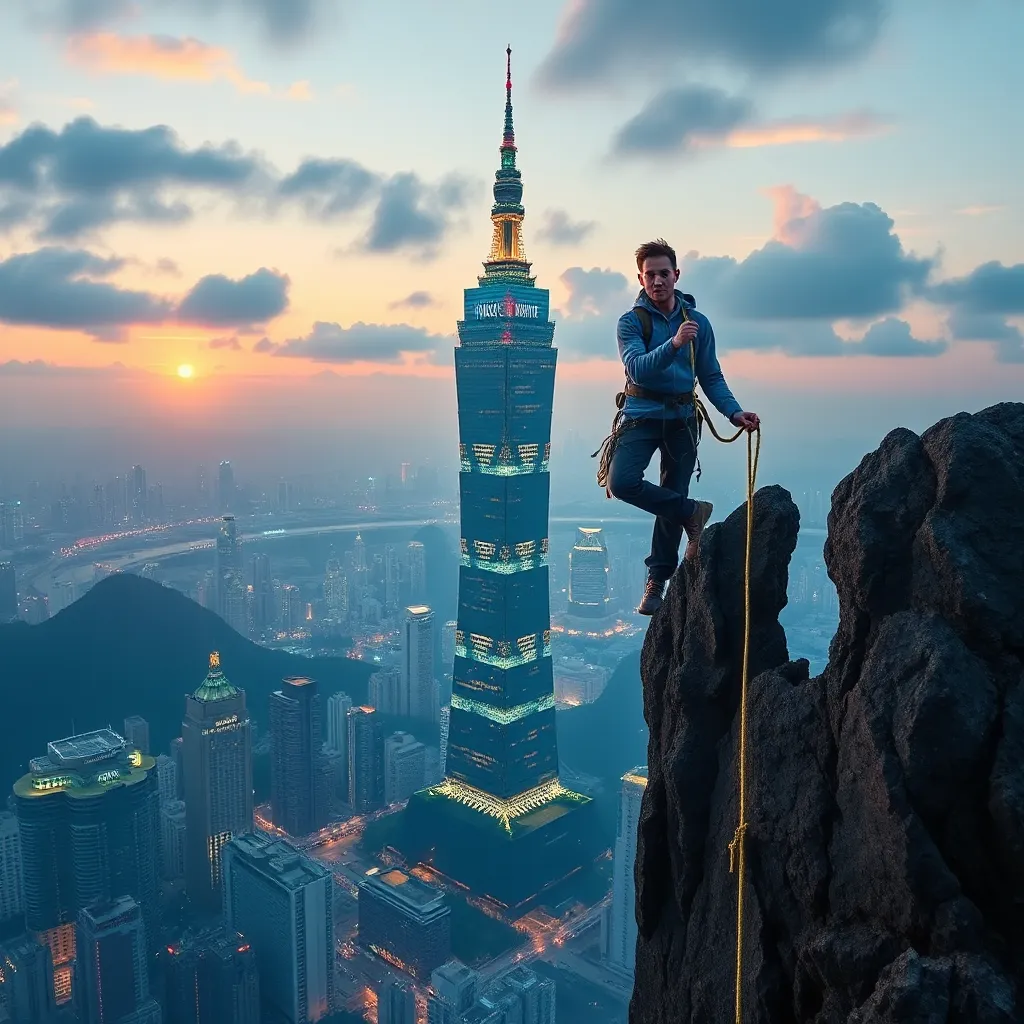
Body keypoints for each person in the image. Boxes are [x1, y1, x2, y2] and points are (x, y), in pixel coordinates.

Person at [606, 239, 760, 615]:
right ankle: (692, 510)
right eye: (650, 275)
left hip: (682, 419)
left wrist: (733, 413)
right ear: (640, 279)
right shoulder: (631, 322)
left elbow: (710, 375)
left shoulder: (697, 323)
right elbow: (637, 369)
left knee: (671, 494)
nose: (657, 281)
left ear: (676, 275)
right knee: (621, 482)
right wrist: (674, 344)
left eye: (664, 273)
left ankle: (657, 579)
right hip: (640, 415)